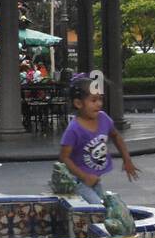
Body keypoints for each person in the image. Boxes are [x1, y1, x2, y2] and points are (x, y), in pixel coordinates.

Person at [58, 76, 139, 205]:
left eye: (100, 99)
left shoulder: (103, 118)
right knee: (98, 209)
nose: (99, 104)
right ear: (78, 103)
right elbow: (64, 158)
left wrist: (127, 159)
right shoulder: (74, 129)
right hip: (77, 182)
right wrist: (84, 176)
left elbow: (116, 136)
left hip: (94, 180)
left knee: (107, 207)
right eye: (94, 100)